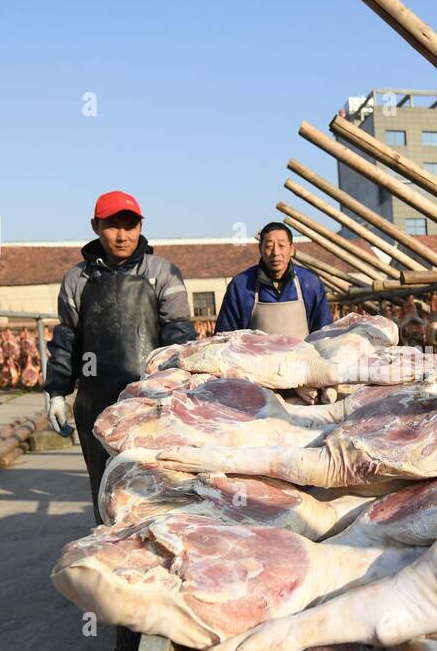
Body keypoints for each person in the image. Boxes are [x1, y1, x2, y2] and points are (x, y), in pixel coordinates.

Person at [44, 191, 196, 522]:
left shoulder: (163, 273)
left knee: (157, 493)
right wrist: (57, 390)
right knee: (107, 493)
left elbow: (179, 335)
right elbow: (66, 338)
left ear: (141, 226)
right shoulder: (77, 279)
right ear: (95, 226)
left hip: (151, 403)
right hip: (97, 404)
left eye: (131, 225)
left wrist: (178, 390)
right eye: (113, 226)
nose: (123, 235)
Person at [214, 222, 332, 338]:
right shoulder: (240, 286)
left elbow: (325, 335)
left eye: (281, 246)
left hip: (302, 357)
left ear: (291, 249)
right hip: (256, 357)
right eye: (269, 246)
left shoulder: (310, 283)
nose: (276, 253)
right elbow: (224, 338)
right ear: (260, 249)